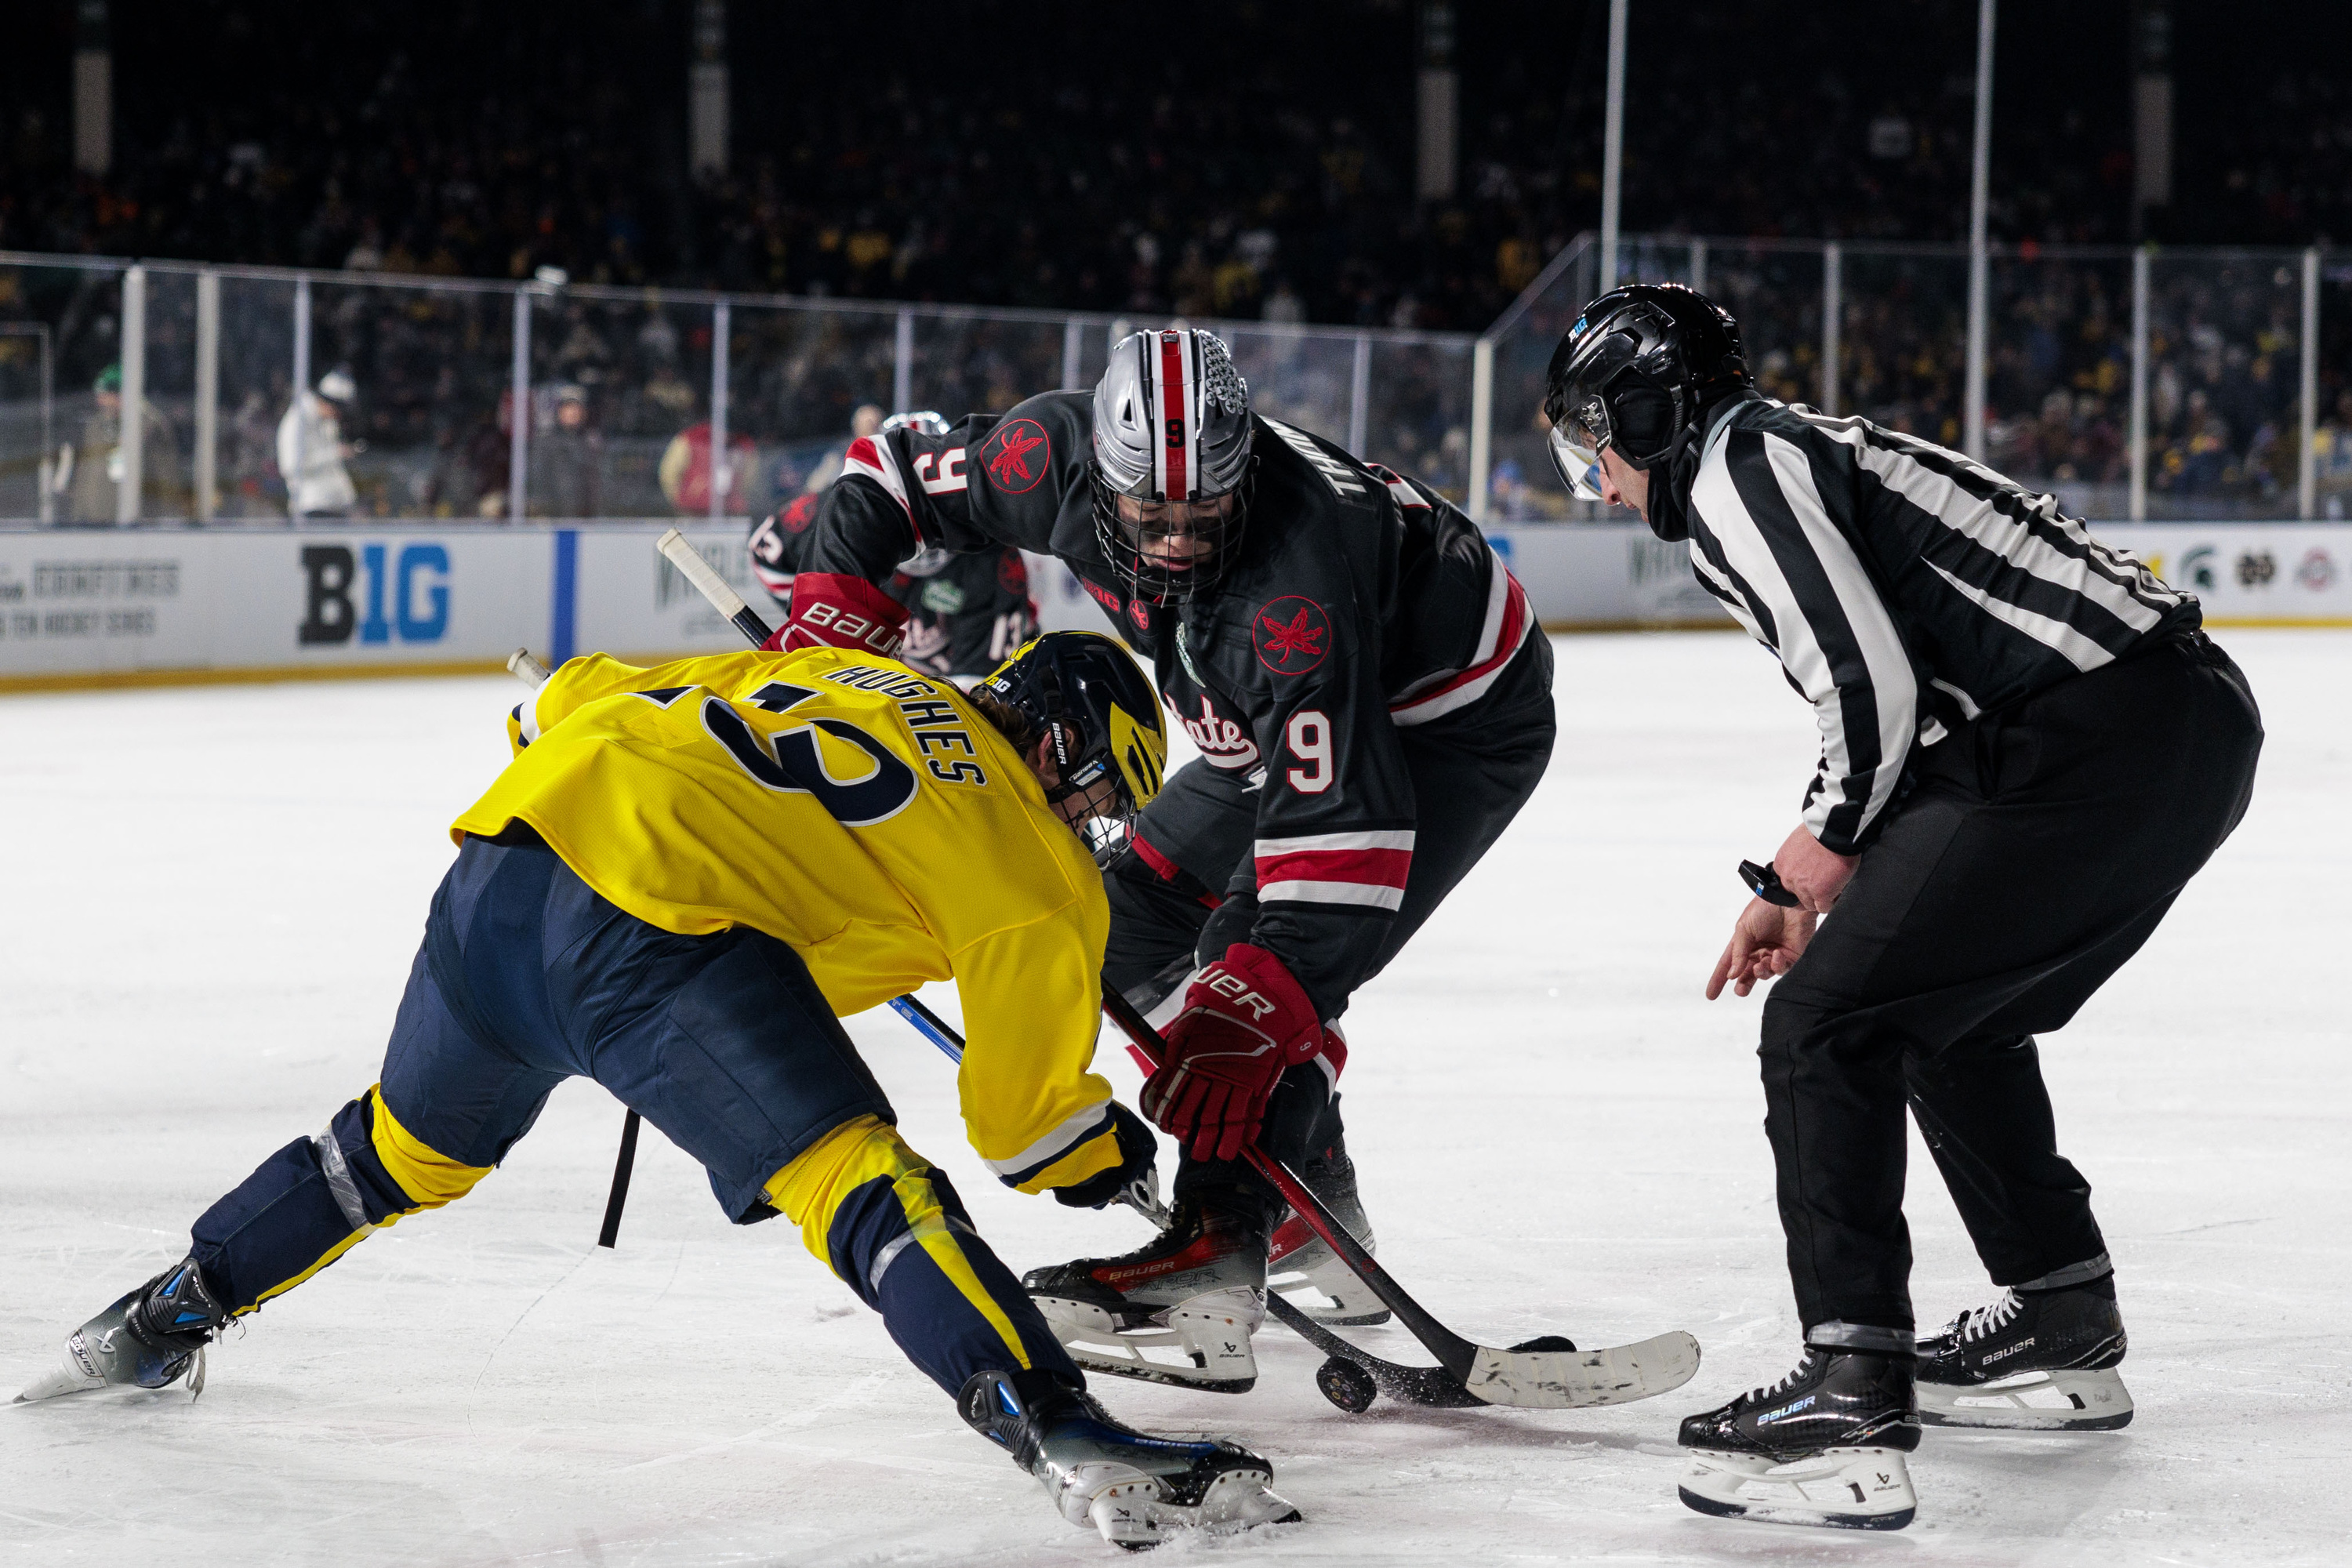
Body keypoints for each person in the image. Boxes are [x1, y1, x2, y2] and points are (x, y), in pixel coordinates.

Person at [16, 624, 1300, 1549]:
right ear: (1072, 757)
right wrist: (1105, 1160)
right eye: (1095, 799)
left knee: (395, 1155)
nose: (1086, 826)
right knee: (859, 1188)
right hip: (653, 943)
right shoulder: (1036, 871)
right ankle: (1062, 1426)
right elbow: (1020, 1126)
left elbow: (566, 698)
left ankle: (159, 1316)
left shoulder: (843, 669)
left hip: (500, 876)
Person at [1541, 284, 2263, 1529]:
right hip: (2166, 729)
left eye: (1590, 445)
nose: (1596, 484)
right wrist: (1836, 870)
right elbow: (1924, 699)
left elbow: (1865, 689)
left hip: (2091, 738)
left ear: (1648, 414)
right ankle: (2060, 1318)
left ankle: (1850, 1392)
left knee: (1824, 1030)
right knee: (1938, 1013)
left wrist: (1802, 868)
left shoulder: (1738, 465)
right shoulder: (1787, 453)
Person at [792, 328, 1556, 1392]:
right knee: (1113, 935)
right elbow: (893, 475)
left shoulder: (1296, 587)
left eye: (1207, 515)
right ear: (1099, 473)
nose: (1181, 542)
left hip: (1442, 721)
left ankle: (1213, 1257)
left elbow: (1336, 847)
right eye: (1153, 516)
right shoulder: (1043, 456)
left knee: (1255, 973)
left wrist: (1257, 1008)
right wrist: (834, 606)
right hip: (1262, 717)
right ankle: (1307, 1192)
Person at [750, 412, 1039, 684]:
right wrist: (813, 613)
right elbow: (768, 551)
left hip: (959, 674)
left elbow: (980, 696)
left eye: (935, 495)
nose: (923, 515)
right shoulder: (843, 511)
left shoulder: (995, 558)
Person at [64, 362, 184, 523]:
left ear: (121, 395)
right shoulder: (97, 425)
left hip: (134, 522)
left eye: (105, 396)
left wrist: (168, 520)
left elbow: (165, 477)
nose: (100, 402)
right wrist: (78, 514)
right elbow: (87, 472)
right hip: (95, 521)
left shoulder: (149, 425)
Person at [277, 368, 360, 519]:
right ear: (326, 403)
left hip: (335, 506)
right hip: (312, 508)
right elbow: (290, 466)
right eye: (337, 410)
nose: (338, 416)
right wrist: (335, 453)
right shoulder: (297, 422)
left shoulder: (325, 422)